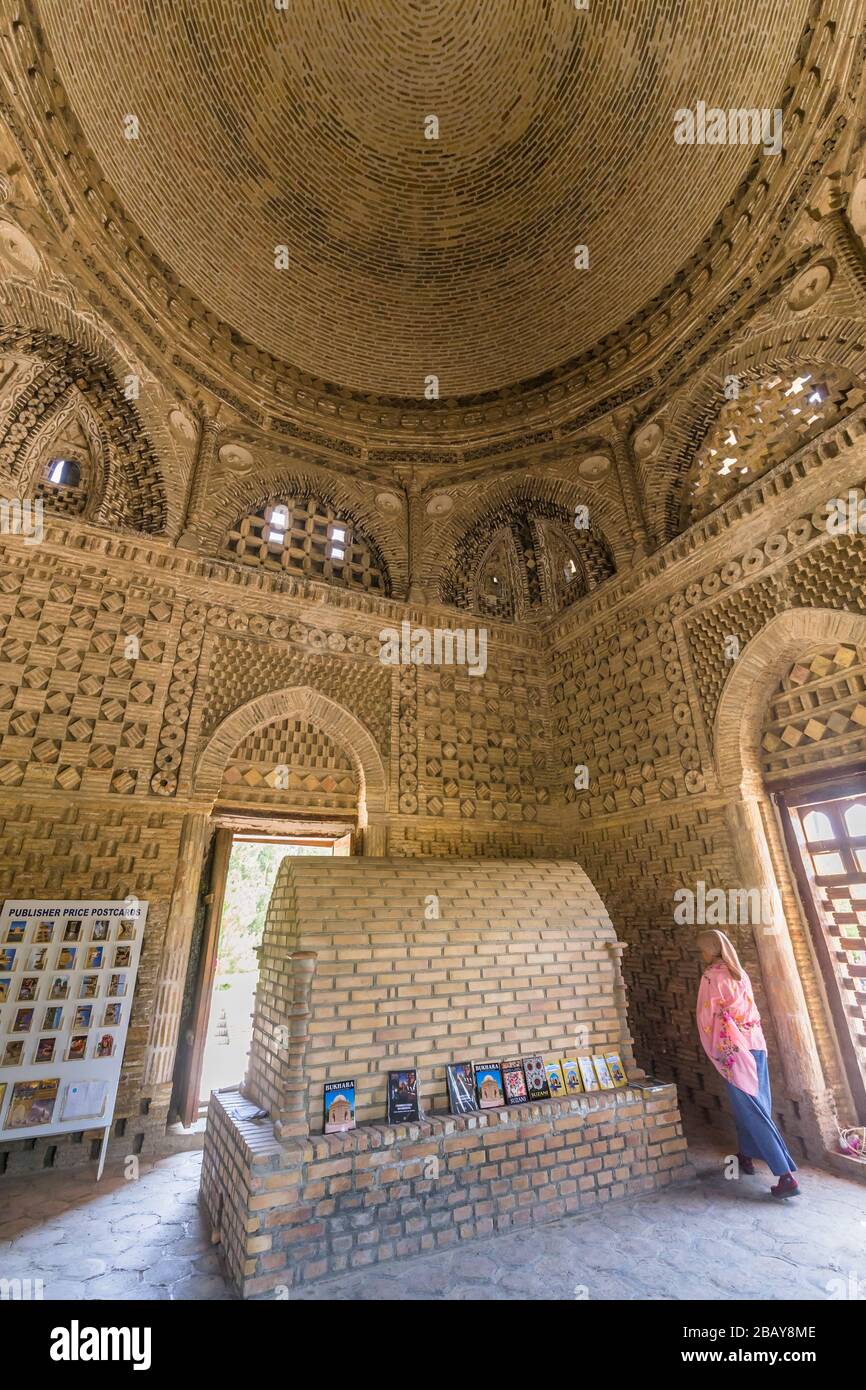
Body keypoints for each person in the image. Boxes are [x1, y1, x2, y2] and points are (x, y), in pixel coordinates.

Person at [696, 928, 800, 1198]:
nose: (701, 953)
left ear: (711, 950)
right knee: (753, 1103)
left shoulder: (711, 978)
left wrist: (717, 1044)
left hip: (735, 1051)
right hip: (756, 1045)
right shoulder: (740, 974)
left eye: (702, 949)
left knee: (753, 1109)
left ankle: (785, 1175)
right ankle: (745, 1154)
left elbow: (706, 1018)